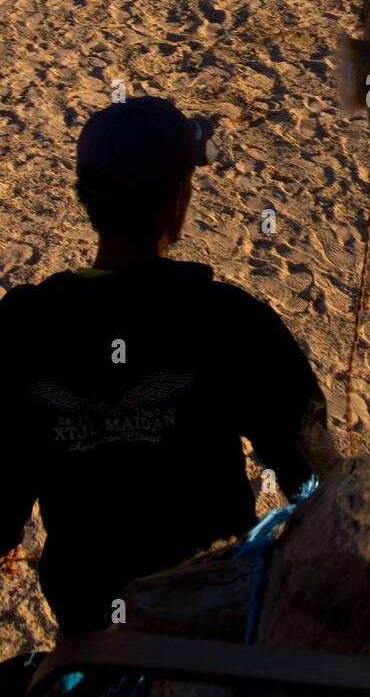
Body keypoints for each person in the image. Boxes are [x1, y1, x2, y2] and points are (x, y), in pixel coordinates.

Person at [0, 96, 337, 640]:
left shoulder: (23, 329)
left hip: (93, 641)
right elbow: (316, 482)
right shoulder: (230, 322)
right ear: (174, 201)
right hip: (218, 634)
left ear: (87, 197)